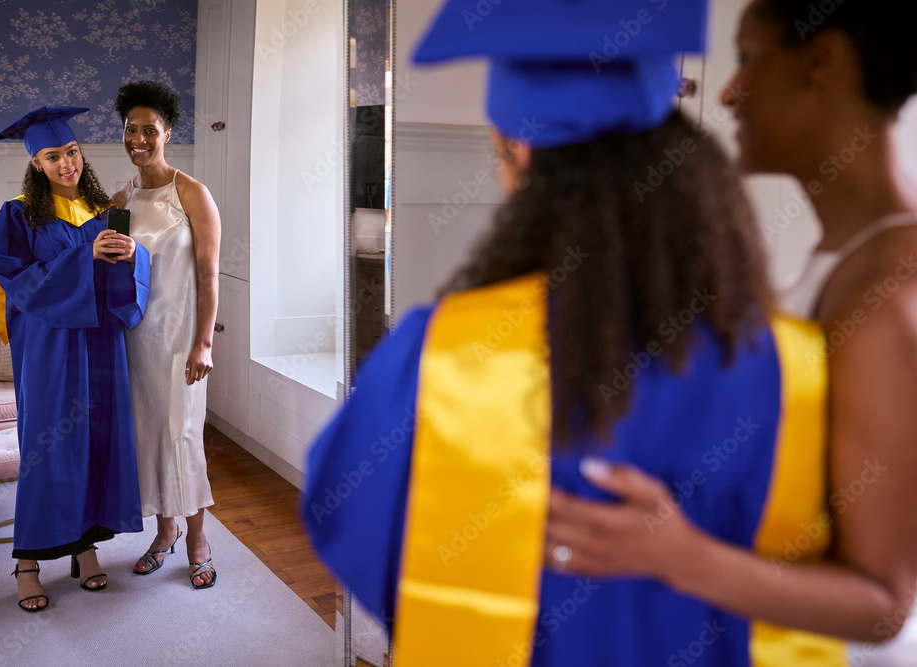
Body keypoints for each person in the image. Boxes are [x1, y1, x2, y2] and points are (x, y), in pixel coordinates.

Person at [301, 1, 855, 664]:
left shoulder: (449, 354)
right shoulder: (794, 365)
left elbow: (347, 521)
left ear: (522, 153)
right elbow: (856, 585)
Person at [543, 0, 917, 662]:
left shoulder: (887, 297)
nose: (727, 92)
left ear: (823, 60)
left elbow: (884, 604)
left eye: (748, 57)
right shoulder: (844, 260)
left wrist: (678, 555)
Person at [0, 106, 151, 612]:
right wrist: (85, 257)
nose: (67, 164)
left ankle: (85, 549)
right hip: (51, 346)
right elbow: (16, 279)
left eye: (73, 151)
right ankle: (27, 562)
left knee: (96, 441)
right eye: (53, 156)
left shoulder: (102, 211)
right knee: (49, 446)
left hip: (100, 342)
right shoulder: (18, 214)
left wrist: (133, 256)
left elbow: (127, 279)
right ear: (36, 164)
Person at [112, 80, 221, 590]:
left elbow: (209, 275)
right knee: (149, 436)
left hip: (181, 342)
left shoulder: (191, 192)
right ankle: (165, 531)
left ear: (168, 132)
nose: (139, 139)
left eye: (149, 130)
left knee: (182, 435)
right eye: (130, 129)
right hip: (135, 340)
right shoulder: (121, 199)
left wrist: (205, 343)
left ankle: (198, 539)